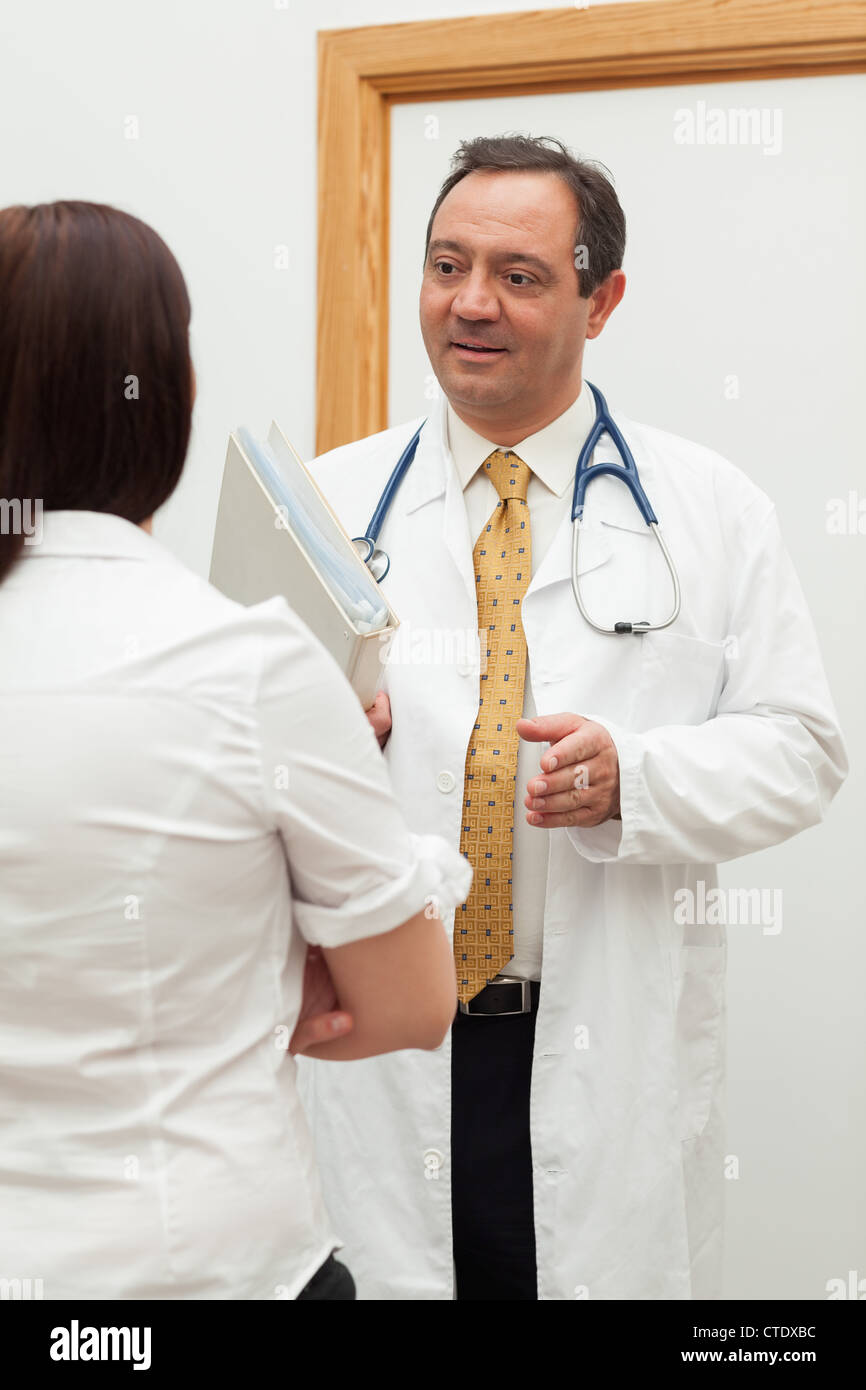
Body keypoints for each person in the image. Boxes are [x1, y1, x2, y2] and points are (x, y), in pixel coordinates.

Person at [296, 134, 848, 1300]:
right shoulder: (328, 501)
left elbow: (802, 750)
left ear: (602, 300)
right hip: (393, 1044)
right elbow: (243, 777)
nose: (470, 303)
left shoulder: (708, 510)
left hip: (605, 1045)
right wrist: (333, 741)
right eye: (446, 265)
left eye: (519, 274)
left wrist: (635, 780)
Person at [0, 200, 471, 1300]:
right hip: (207, 1264)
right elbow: (410, 1004)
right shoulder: (252, 665)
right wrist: (256, 982)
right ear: (171, 398)